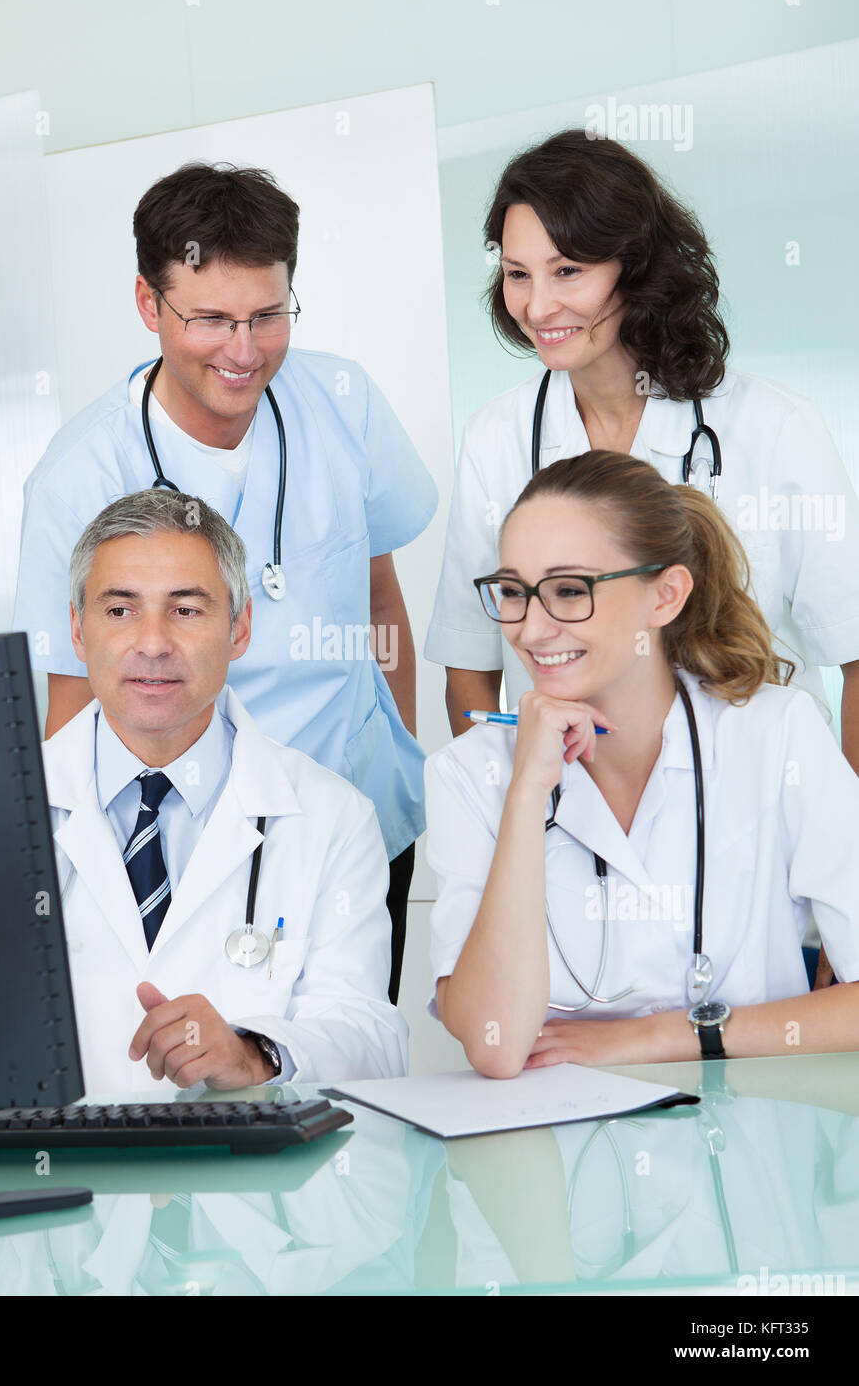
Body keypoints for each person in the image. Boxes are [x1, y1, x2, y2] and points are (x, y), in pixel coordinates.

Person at [15, 163, 437, 1003]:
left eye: (267, 317)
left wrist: (388, 765)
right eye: (210, 319)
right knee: (204, 1084)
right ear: (149, 305)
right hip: (191, 843)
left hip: (356, 819)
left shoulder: (342, 402)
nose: (244, 353)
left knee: (340, 1072)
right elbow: (73, 701)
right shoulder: (79, 474)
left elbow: (379, 603)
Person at [426, 129, 859, 760]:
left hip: (757, 815)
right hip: (575, 827)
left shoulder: (775, 428)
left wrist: (842, 835)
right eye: (518, 274)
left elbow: (854, 652)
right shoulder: (497, 438)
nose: (537, 305)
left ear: (638, 266)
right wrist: (514, 818)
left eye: (567, 270)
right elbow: (470, 663)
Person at [425, 451, 859, 1079]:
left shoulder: (776, 735)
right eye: (514, 592)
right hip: (558, 1155)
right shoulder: (471, 773)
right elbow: (495, 1044)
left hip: (744, 1143)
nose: (531, 628)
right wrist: (525, 796)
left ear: (665, 596)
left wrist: (658, 1037)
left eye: (570, 590)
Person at [43, 486, 407, 1092]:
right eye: (120, 610)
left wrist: (256, 1053)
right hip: (56, 1173)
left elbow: (372, 1039)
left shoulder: (332, 816)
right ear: (78, 633)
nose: (153, 643)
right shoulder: (4, 810)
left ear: (239, 629)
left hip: (248, 1182)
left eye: (186, 610)